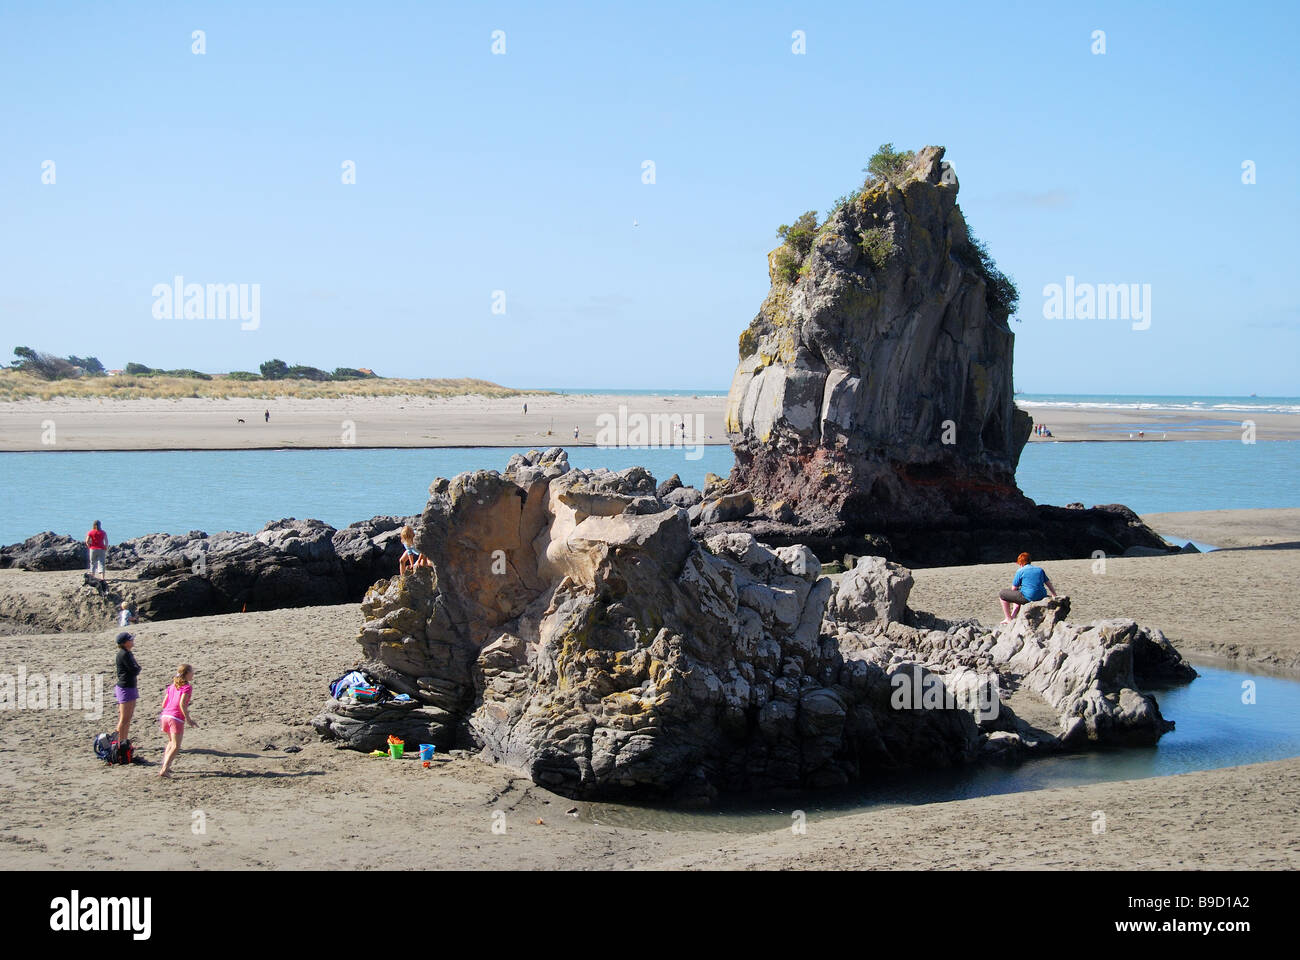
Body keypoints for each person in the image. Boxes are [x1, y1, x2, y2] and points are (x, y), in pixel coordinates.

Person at [158, 663, 198, 778]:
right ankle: (164, 769)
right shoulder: (187, 687)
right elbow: (182, 704)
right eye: (191, 672)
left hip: (165, 716)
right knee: (176, 745)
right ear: (186, 674)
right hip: (175, 718)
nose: (193, 674)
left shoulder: (172, 686)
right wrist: (189, 719)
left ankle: (166, 766)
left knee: (171, 742)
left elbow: (163, 704)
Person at [998, 552, 1058, 624]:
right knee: (1019, 593)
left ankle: (1008, 618)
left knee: (1002, 594)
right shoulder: (1039, 570)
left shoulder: (1020, 571)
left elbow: (1014, 588)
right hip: (1042, 596)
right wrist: (1054, 594)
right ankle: (1013, 616)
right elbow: (1048, 583)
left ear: (1021, 563)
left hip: (1029, 597)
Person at [114, 631, 141, 743]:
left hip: (130, 686)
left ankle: (123, 740)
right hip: (125, 688)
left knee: (128, 718)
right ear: (125, 643)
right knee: (124, 719)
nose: (132, 641)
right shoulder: (123, 654)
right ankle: (117, 742)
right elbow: (135, 669)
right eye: (130, 639)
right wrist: (137, 669)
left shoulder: (127, 653)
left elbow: (136, 669)